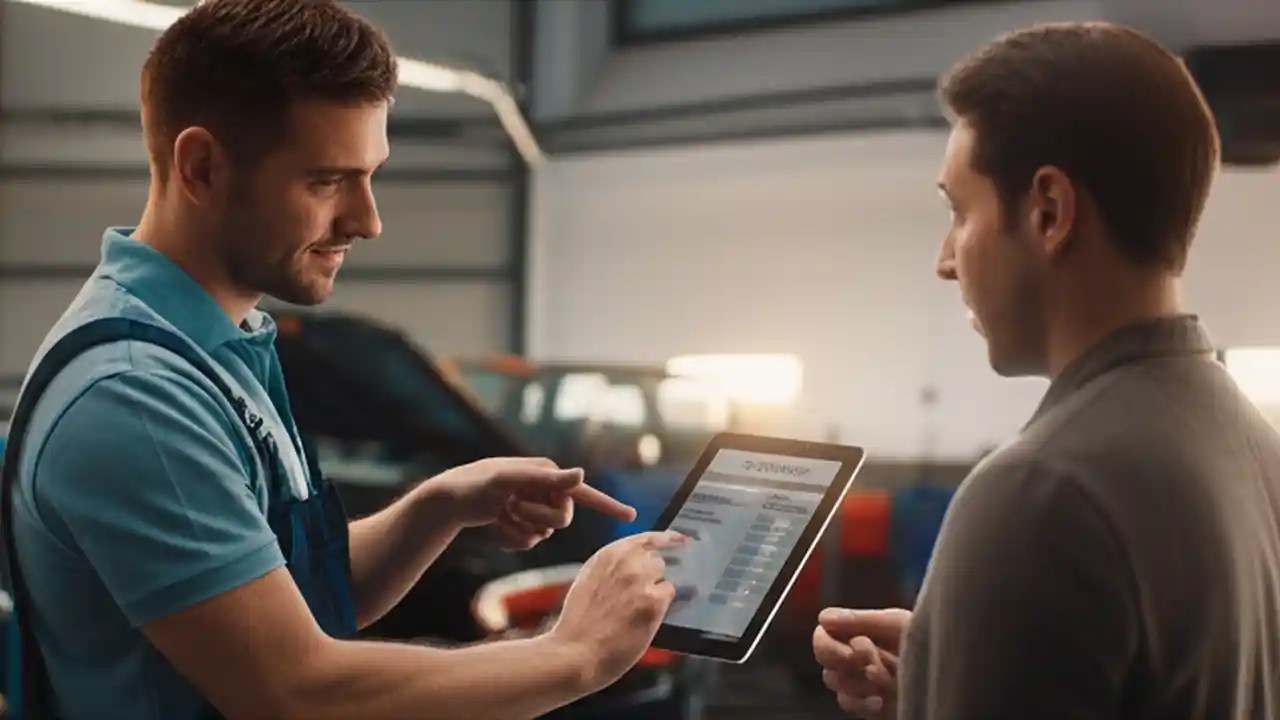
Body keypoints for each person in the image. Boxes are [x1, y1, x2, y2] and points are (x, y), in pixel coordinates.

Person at [1, 2, 686, 719]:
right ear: (202, 168)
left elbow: (287, 602)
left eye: (370, 175)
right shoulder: (136, 395)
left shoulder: (219, 353)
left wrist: (435, 508)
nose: (367, 220)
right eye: (327, 181)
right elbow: (296, 690)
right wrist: (575, 654)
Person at [814, 21, 1280, 720]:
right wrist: (954, 673)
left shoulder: (1041, 492)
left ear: (1049, 211)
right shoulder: (1255, 448)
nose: (946, 259)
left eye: (958, 211)